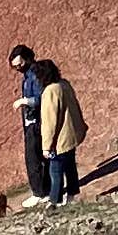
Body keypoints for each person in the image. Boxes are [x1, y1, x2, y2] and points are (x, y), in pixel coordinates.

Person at [35, 59, 86, 208]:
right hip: (71, 136)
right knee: (70, 166)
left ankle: (54, 202)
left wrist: (46, 146)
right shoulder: (64, 84)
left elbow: (50, 122)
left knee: (55, 171)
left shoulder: (50, 91)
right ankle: (72, 195)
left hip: (59, 140)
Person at [8, 43, 45, 204]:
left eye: (20, 65)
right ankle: (45, 190)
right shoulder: (28, 75)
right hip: (31, 121)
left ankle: (39, 193)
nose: (18, 69)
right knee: (38, 156)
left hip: (36, 121)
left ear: (28, 58)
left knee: (33, 158)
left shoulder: (35, 75)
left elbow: (41, 98)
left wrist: (25, 101)